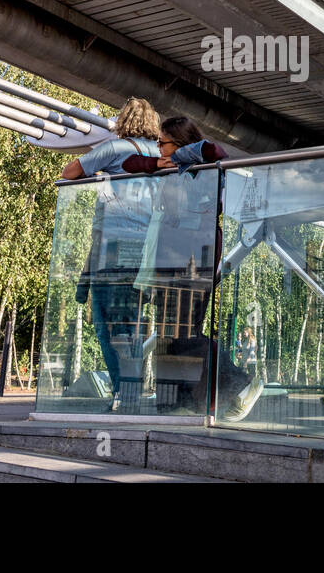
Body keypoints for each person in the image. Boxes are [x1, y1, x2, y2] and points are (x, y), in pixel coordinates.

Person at [120, 115, 262, 420]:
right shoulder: (168, 170)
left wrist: (182, 156)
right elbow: (129, 164)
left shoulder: (203, 170)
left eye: (163, 142)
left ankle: (240, 383)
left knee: (185, 335)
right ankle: (175, 403)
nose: (158, 148)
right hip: (167, 265)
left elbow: (215, 151)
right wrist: (159, 164)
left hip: (192, 264)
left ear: (182, 142)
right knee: (168, 337)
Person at [64, 97, 162, 411]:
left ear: (124, 121)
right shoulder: (159, 154)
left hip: (112, 249)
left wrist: (99, 176)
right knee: (130, 325)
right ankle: (129, 390)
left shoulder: (115, 149)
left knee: (105, 325)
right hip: (145, 250)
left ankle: (124, 391)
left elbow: (69, 172)